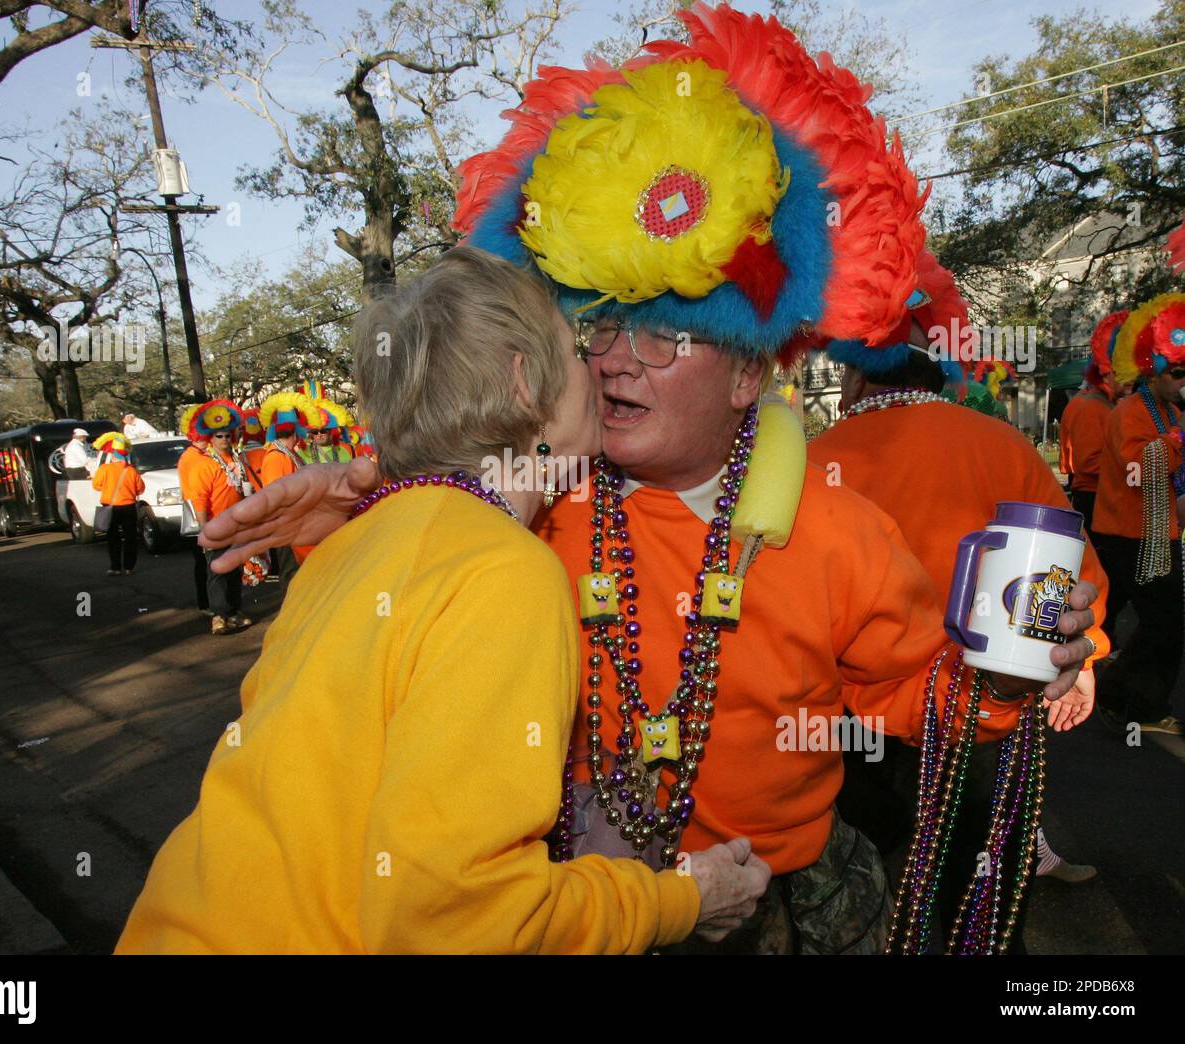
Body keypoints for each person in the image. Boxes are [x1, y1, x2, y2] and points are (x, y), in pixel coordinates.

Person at [201, 5, 1098, 955]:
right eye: (603, 329)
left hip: (781, 899)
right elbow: (385, 643)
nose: (617, 362)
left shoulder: (833, 528)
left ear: (750, 373)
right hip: (570, 910)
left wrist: (1007, 674)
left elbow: (919, 696)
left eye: (665, 336)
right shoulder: (531, 509)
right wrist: (378, 492)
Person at [117, 247, 765, 954]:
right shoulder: (503, 569)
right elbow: (463, 919)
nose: (601, 366)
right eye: (575, 347)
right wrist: (680, 899)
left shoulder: (353, 544)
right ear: (526, 387)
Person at [810, 251, 1106, 935]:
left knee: (864, 899)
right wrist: (1083, 660)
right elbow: (1074, 575)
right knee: (979, 906)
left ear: (853, 373)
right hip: (984, 709)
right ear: (939, 369)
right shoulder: (1003, 444)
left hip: (849, 724)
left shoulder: (817, 458)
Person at [1093, 292, 1185, 735]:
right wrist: (1178, 441)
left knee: (1123, 619)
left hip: (1150, 532)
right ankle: (1132, 702)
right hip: (1132, 536)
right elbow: (1139, 472)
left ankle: (1112, 693)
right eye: (1180, 372)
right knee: (1165, 625)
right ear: (1156, 370)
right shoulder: (1132, 412)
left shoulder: (1165, 411)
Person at [1062, 312, 1133, 644]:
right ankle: (1100, 636)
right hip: (1093, 497)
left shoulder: (1095, 404)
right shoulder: (1092, 407)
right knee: (1104, 573)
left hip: (1092, 495)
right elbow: (1089, 462)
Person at [183, 399, 251, 635]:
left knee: (235, 570)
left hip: (238, 524)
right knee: (217, 571)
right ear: (210, 438)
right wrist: (205, 529)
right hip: (215, 524)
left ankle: (234, 611)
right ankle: (219, 615)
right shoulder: (203, 465)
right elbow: (200, 499)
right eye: (219, 436)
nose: (224, 440)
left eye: (227, 436)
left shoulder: (239, 461)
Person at [257, 391, 323, 587]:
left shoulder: (289, 454)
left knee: (300, 571)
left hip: (296, 521)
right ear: (295, 432)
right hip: (285, 523)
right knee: (290, 573)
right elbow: (276, 495)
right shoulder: (276, 457)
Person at [91, 432, 146, 576]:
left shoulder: (104, 469)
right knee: (130, 538)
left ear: (113, 455)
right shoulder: (131, 470)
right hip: (129, 507)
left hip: (110, 507)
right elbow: (140, 488)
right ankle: (129, 567)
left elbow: (96, 485)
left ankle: (115, 567)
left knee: (113, 538)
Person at [176, 405, 212, 617]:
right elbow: (199, 492)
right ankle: (205, 602)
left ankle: (205, 601)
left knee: (202, 561)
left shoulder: (189, 456)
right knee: (204, 562)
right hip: (199, 512)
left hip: (196, 510)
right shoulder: (195, 458)